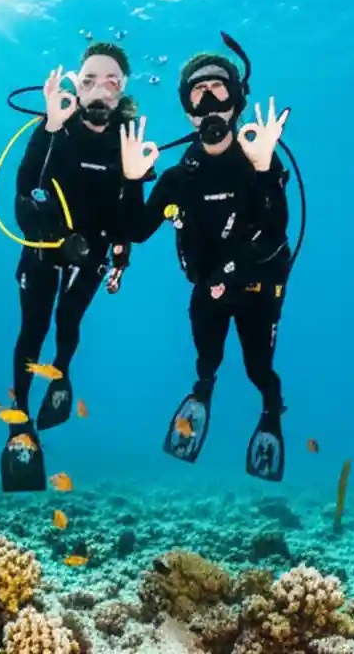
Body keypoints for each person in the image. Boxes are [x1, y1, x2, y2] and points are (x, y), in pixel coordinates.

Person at [119, 46, 294, 482]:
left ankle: (271, 412)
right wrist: (132, 179)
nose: (211, 101)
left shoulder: (259, 159)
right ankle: (202, 391)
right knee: (207, 360)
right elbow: (137, 230)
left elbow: (275, 232)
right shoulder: (179, 178)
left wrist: (265, 170)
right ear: (187, 111)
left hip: (257, 291)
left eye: (219, 89)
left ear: (237, 101)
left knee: (259, 369)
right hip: (206, 293)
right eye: (199, 94)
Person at [1, 42, 149, 492]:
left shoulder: (128, 139)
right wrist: (49, 126)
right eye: (89, 80)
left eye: (111, 82)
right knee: (33, 327)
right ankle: (19, 421)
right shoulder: (55, 128)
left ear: (122, 92)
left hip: (93, 252)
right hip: (45, 248)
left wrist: (134, 176)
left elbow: (132, 225)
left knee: (69, 318)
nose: (99, 90)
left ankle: (61, 372)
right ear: (76, 86)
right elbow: (24, 195)